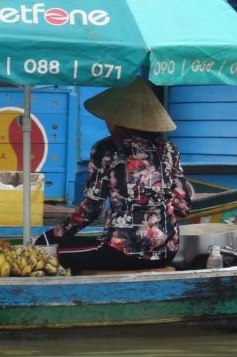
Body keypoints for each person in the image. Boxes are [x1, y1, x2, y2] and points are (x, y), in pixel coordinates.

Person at [40, 78, 193, 273]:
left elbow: (91, 209)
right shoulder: (170, 150)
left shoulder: (105, 150)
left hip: (121, 252)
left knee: (44, 249)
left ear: (116, 119)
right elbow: (184, 207)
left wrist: (56, 234)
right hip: (167, 251)